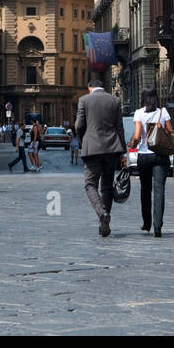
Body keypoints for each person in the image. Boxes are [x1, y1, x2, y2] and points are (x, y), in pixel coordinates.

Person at [75, 76, 126, 238]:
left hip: (92, 148)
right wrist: (122, 151)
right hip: (112, 148)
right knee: (107, 185)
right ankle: (105, 220)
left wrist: (84, 140)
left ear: (90, 88)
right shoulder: (115, 101)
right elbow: (120, 127)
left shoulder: (84, 100)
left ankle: (102, 214)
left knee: (90, 184)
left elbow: (79, 125)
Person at [132, 89, 174, 237]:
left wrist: (132, 143)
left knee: (145, 190)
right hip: (160, 155)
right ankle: (158, 226)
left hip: (144, 155)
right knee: (159, 190)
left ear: (143, 99)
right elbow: (170, 132)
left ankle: (146, 223)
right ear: (156, 98)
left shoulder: (139, 113)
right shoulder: (163, 112)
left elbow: (137, 135)